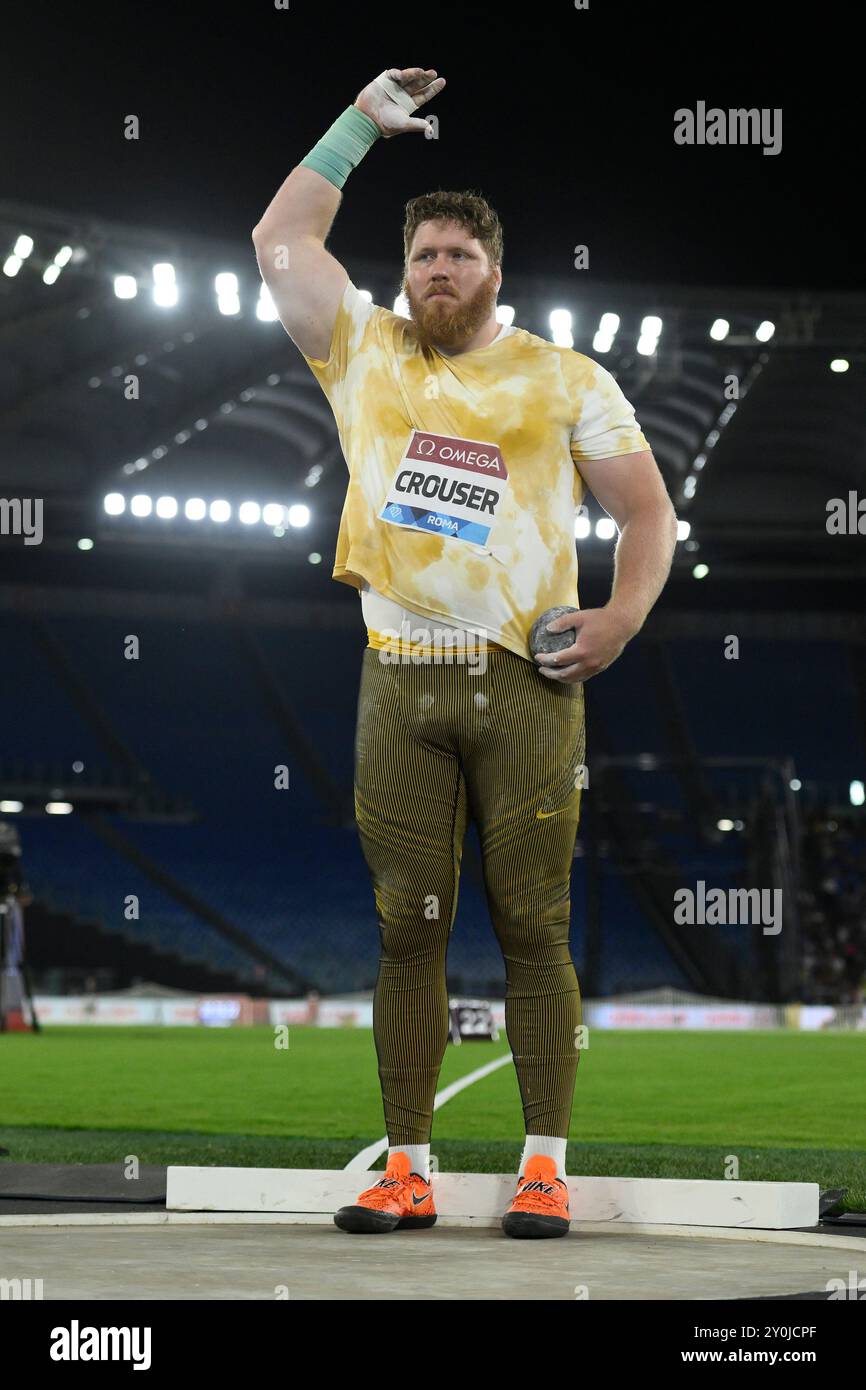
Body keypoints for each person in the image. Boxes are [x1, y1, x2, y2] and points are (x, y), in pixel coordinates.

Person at [253, 67, 678, 1237]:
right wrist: (354, 126)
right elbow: (279, 235)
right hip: (396, 677)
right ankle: (406, 1167)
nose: (437, 271)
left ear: (497, 271)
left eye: (459, 256)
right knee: (408, 925)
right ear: (404, 271)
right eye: (423, 255)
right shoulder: (359, 348)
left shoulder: (564, 377)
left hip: (527, 682)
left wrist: (621, 618)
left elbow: (648, 513)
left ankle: (542, 1167)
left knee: (534, 922)